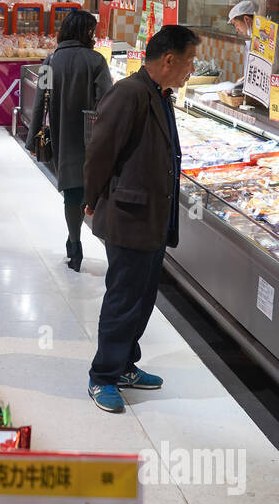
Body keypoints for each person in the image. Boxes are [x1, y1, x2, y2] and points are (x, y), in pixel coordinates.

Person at [83, 25, 199, 414]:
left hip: (151, 216)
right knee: (123, 297)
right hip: (128, 216)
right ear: (169, 60)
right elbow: (100, 152)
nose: (191, 69)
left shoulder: (160, 95)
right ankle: (103, 376)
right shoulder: (129, 93)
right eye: (189, 61)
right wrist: (91, 198)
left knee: (143, 297)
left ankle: (125, 365)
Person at [27, 10, 112, 273]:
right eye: (92, 31)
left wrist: (32, 140)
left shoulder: (50, 61)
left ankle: (74, 245)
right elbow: (107, 100)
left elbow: (40, 101)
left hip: (63, 139)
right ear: (86, 32)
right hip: (92, 139)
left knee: (72, 194)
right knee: (98, 192)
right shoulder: (96, 61)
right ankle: (110, 250)